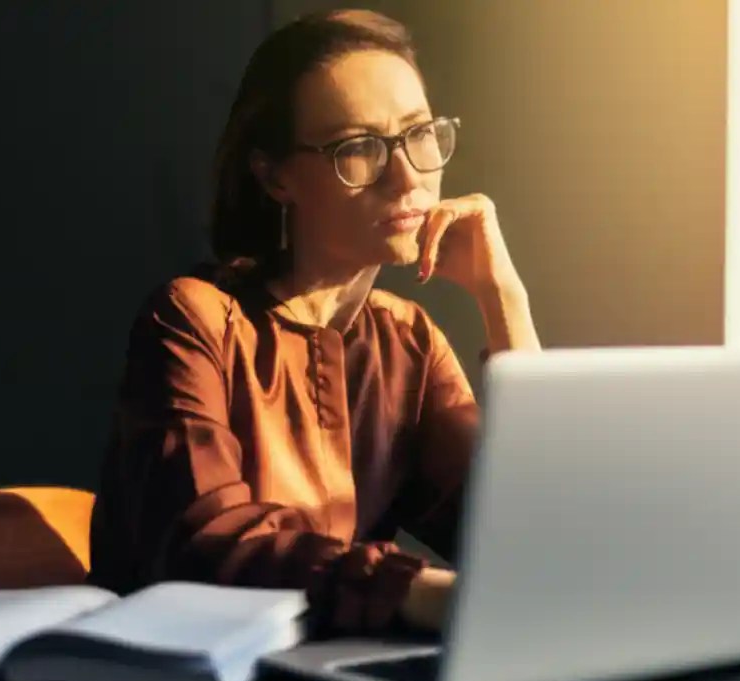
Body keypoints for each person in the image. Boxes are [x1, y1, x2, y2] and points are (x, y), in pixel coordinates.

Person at [88, 9, 540, 636]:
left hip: (327, 674)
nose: (409, 176)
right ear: (274, 176)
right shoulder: (194, 318)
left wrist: (503, 300)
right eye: (358, 148)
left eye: (419, 134)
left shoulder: (407, 341)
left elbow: (528, 539)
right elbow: (207, 544)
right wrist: (403, 588)